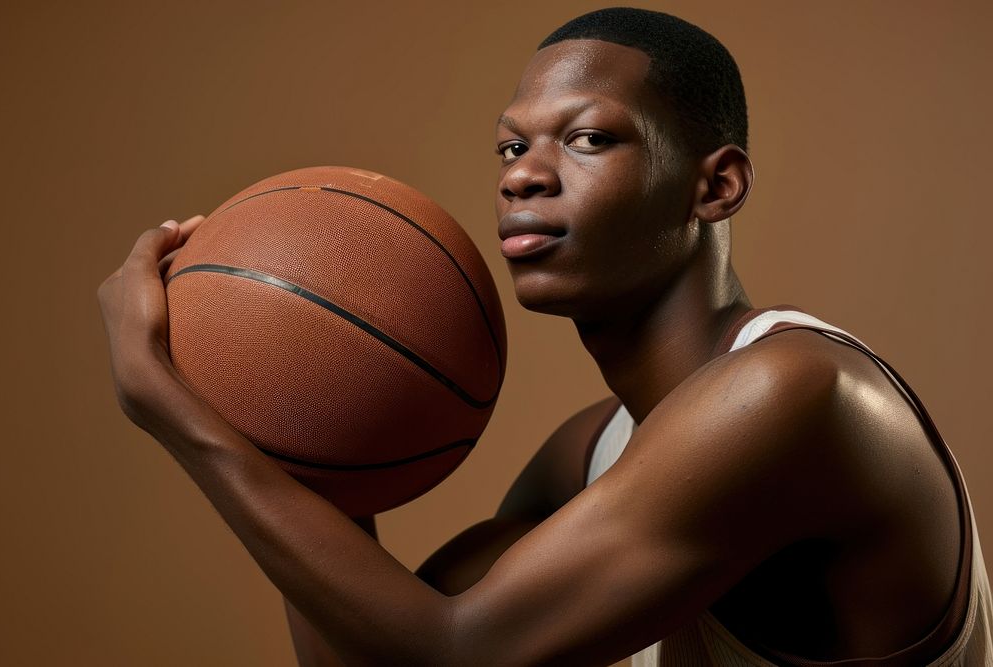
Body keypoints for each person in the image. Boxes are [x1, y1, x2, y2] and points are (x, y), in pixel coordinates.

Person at [98, 7, 992, 666]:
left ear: (714, 187)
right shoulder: (591, 450)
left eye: (589, 138)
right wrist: (302, 414)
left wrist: (170, 403)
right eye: (508, 148)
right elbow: (374, 657)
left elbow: (459, 653)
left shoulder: (795, 392)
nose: (525, 176)